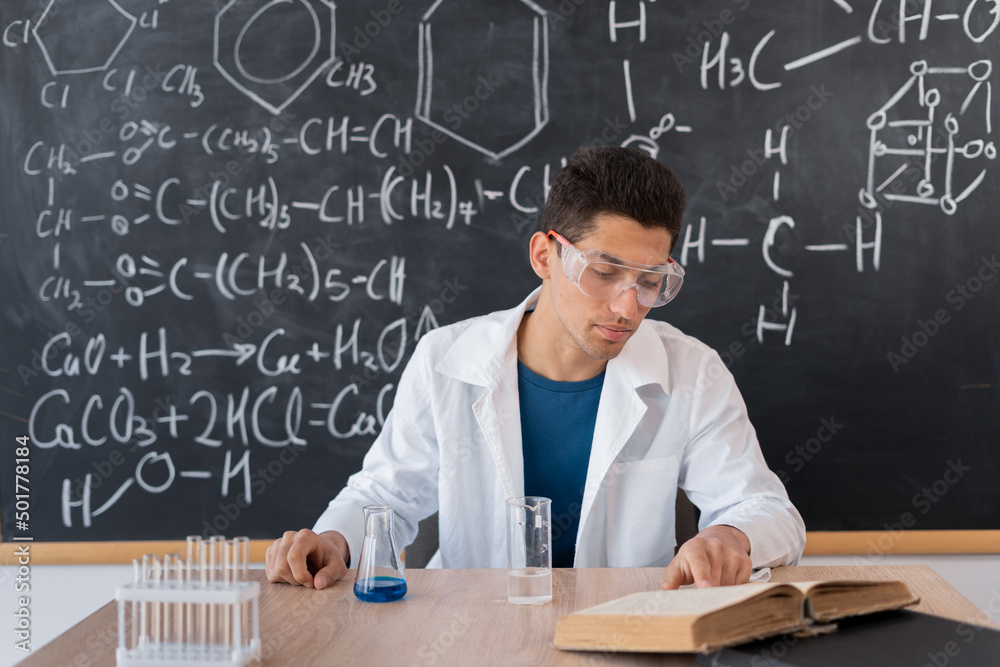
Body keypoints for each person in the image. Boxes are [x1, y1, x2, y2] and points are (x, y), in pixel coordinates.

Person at [266, 146, 806, 591]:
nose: (627, 306)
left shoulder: (692, 371)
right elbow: (383, 494)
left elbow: (763, 506)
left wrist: (732, 537)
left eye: (650, 280)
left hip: (629, 632)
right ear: (545, 256)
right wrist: (331, 542)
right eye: (604, 272)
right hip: (470, 634)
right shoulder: (445, 362)